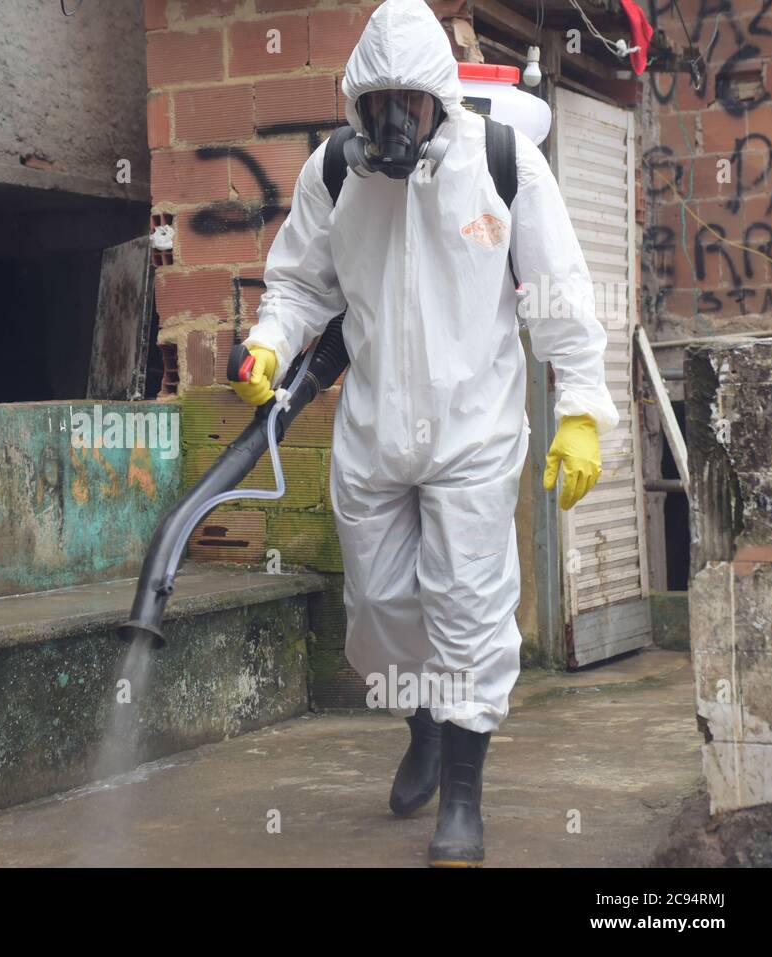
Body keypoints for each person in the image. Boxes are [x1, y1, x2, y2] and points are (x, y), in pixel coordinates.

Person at [231, 0, 617, 867]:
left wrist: (585, 412)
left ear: (438, 99)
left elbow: (560, 295)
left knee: (469, 609)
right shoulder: (334, 172)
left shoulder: (503, 166)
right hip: (372, 430)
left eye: (410, 104)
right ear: (357, 104)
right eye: (379, 105)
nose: (394, 122)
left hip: (473, 430)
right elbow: (299, 285)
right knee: (378, 611)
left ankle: (465, 799)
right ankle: (424, 730)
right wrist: (267, 342)